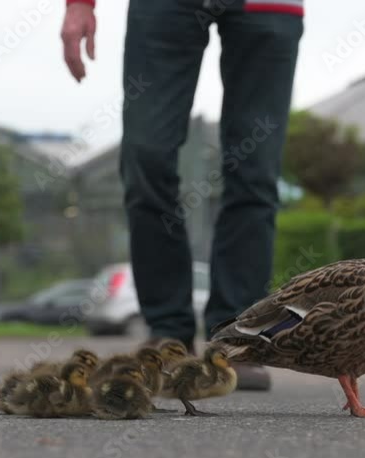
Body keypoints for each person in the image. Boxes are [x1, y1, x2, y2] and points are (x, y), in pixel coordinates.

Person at [60, 0, 304, 390]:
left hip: (268, 8)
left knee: (255, 169)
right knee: (146, 156)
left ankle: (234, 338)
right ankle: (168, 331)